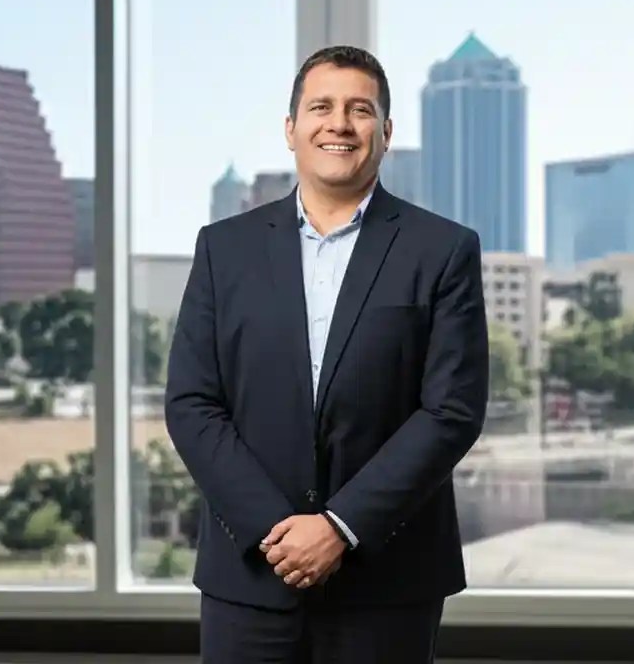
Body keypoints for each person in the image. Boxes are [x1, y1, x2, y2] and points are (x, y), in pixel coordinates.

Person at [164, 44, 489, 663]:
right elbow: (192, 402)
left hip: (387, 581)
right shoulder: (222, 250)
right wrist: (274, 533)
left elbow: (452, 411)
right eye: (321, 107)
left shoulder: (443, 250)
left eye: (359, 110)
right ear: (291, 130)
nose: (338, 123)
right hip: (251, 576)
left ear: (386, 132)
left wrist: (340, 528)